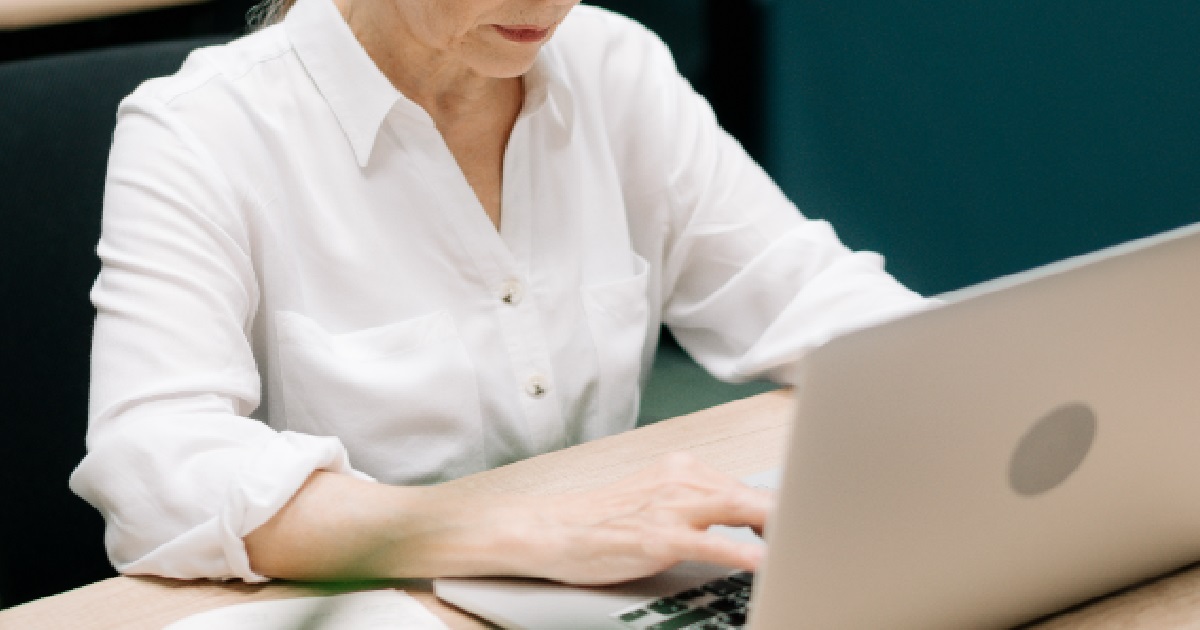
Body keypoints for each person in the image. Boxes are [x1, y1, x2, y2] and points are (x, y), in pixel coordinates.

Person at [70, 0, 927, 584]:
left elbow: (802, 292)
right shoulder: (202, 130)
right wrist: (539, 534)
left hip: (594, 593)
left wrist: (982, 389)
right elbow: (158, 466)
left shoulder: (613, 66)